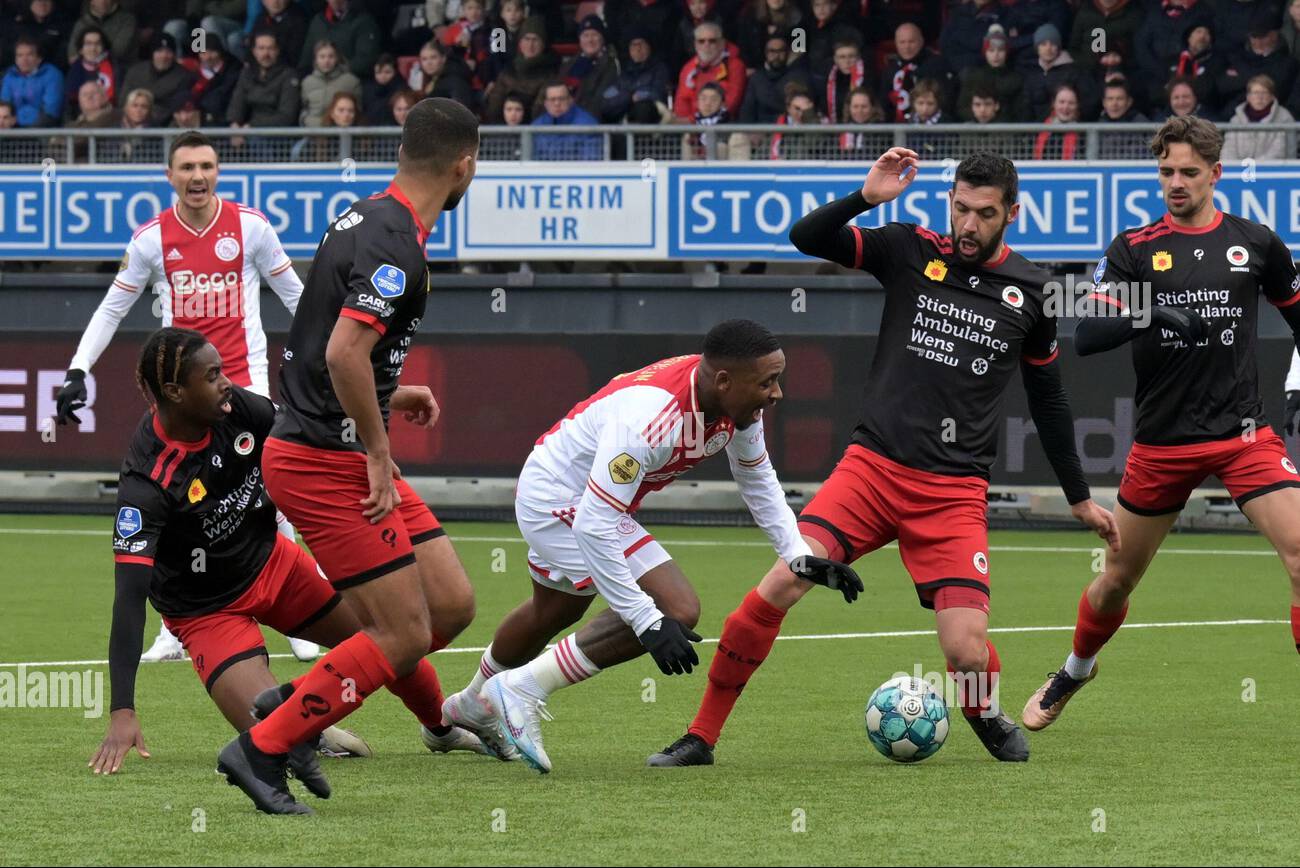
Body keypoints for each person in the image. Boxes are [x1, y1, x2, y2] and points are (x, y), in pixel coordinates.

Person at [647, 148, 1118, 768]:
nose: (968, 225)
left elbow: (1049, 400)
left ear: (1012, 213)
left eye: (983, 213)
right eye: (960, 209)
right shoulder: (909, 249)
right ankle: (701, 736)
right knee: (780, 583)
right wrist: (865, 197)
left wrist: (1079, 495)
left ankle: (982, 710)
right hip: (870, 472)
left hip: (952, 492)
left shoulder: (1032, 292)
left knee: (966, 654)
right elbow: (806, 236)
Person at [216, 98, 483, 815]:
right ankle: (264, 747)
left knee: (451, 605)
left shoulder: (360, 216)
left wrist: (393, 393)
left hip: (323, 439)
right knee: (401, 633)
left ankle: (290, 705)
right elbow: (341, 352)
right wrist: (375, 448)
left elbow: (318, 351)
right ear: (463, 166)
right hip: (319, 460)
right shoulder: (397, 244)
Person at [440, 320, 860, 774]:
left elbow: (755, 474)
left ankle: (468, 706)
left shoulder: (735, 402)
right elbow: (593, 524)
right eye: (767, 382)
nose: (776, 393)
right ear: (724, 380)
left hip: (590, 501)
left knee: (555, 611)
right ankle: (520, 688)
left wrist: (796, 554)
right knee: (674, 608)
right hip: (562, 502)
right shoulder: (651, 420)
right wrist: (647, 622)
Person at [90, 329, 486, 789]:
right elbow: (129, 598)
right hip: (206, 612)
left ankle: (442, 726)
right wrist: (122, 710)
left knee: (390, 638)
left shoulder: (236, 407)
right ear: (176, 392)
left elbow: (311, 424)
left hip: (275, 566)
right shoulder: (146, 481)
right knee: (269, 728)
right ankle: (315, 733)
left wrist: (388, 407)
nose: (226, 382)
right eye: (213, 375)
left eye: (223, 371)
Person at [1023, 115, 1300, 729]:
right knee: (1115, 582)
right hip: (1162, 445)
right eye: (1167, 171)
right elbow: (1089, 334)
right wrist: (1152, 313)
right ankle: (1074, 669)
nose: (1176, 182)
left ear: (1216, 174)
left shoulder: (1256, 242)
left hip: (1243, 436)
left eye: (1189, 172)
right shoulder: (1133, 248)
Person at [54, 131, 318, 664]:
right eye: (187, 167)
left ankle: (297, 616)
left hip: (244, 384)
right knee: (179, 500)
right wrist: (78, 368)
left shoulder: (251, 228)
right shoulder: (152, 239)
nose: (198, 176)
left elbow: (299, 299)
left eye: (207, 166)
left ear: (217, 172)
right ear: (169, 175)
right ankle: (175, 629)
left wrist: (332, 354)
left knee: (270, 486)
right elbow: (111, 307)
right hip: (179, 394)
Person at [674, 19, 745, 121]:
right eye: (701, 41)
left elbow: (731, 102)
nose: (706, 45)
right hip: (690, 127)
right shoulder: (688, 68)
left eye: (712, 41)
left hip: (722, 125)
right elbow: (681, 102)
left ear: (722, 43)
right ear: (695, 44)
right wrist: (687, 124)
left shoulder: (735, 65)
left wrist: (694, 121)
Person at [120, 34, 195, 128]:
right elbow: (123, 101)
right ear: (152, 53)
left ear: (174, 55)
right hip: (131, 123)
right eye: (159, 51)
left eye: (168, 51)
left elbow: (177, 108)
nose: (164, 56)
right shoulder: (135, 72)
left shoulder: (184, 76)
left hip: (166, 126)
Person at [1221, 74, 1296, 161]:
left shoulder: (1284, 118)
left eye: (1264, 93)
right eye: (1255, 93)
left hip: (1272, 171)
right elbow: (1228, 150)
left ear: (1272, 96)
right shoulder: (1236, 119)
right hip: (1239, 171)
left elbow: (1279, 151)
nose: (1259, 97)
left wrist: (1255, 168)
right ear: (1248, 97)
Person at [530, 81, 601, 161]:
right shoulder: (537, 126)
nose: (557, 103)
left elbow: (591, 162)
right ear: (545, 103)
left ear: (570, 100)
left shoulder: (588, 124)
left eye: (561, 99)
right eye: (552, 99)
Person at [1, 35, 62, 127]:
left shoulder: (52, 75)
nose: (24, 59)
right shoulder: (9, 76)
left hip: (44, 132)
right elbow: (4, 106)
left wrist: (31, 133)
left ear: (39, 58)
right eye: (20, 55)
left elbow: (51, 110)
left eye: (29, 54)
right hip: (13, 132)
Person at [299, 39, 362, 126]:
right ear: (316, 59)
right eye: (322, 57)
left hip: (341, 134)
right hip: (313, 133)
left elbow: (358, 111)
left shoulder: (351, 81)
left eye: (331, 56)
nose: (326, 61)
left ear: (337, 58)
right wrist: (306, 120)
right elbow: (304, 110)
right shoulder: (307, 82)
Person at [62, 26, 115, 121]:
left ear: (104, 48)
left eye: (98, 44)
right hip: (80, 122)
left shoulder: (115, 68)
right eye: (88, 44)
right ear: (81, 49)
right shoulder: (74, 71)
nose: (93, 48)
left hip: (110, 121)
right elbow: (68, 107)